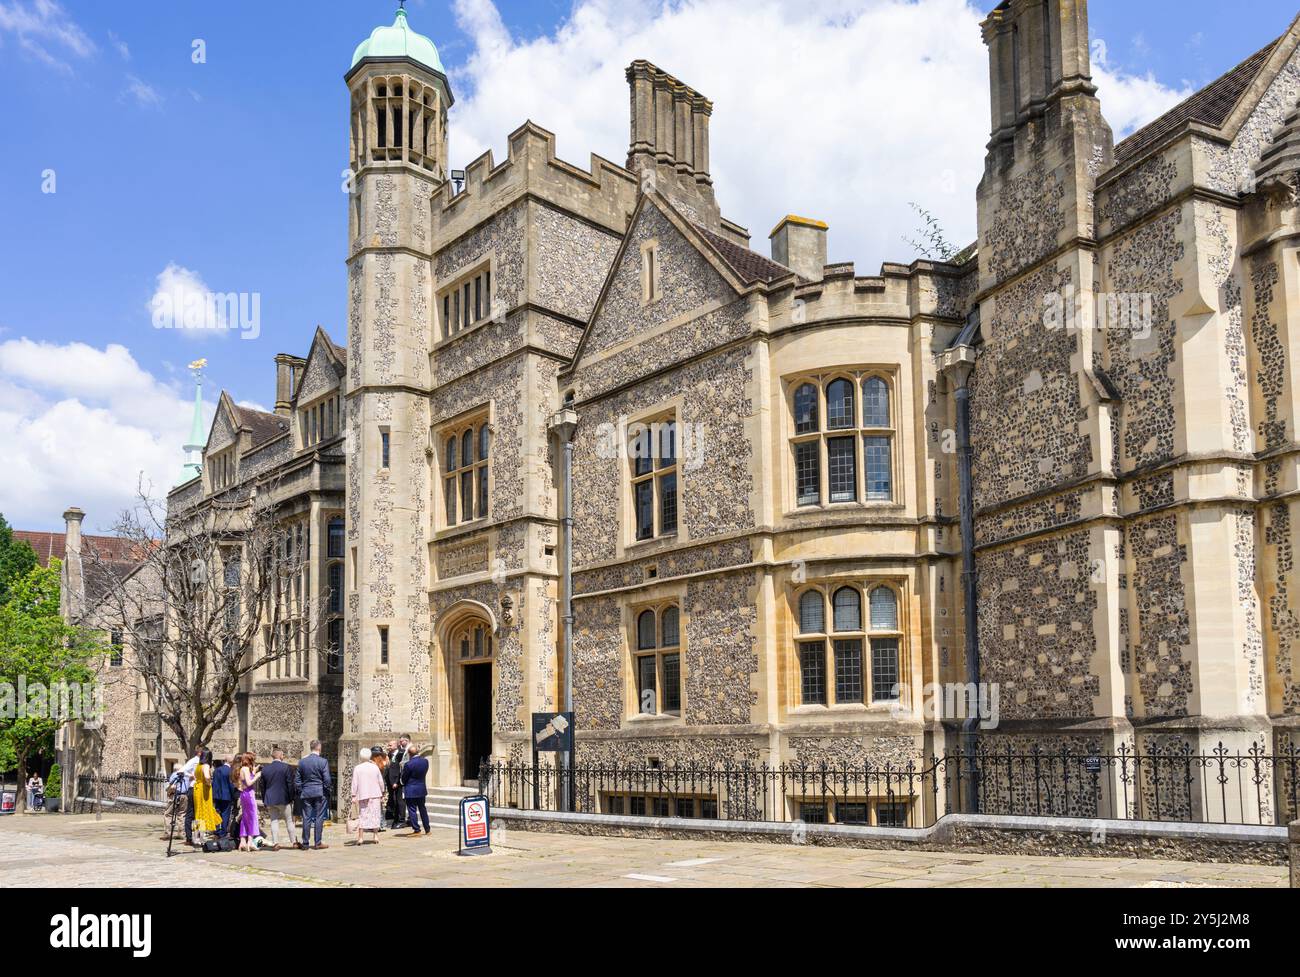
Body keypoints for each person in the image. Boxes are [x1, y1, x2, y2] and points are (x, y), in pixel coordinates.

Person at [296, 740, 331, 851]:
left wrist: (302, 789)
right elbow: (327, 779)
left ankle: (305, 843)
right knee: (319, 817)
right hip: (320, 793)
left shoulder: (302, 762)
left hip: (306, 793)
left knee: (306, 817)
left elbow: (297, 780)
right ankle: (318, 842)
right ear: (319, 748)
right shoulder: (323, 761)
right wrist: (326, 789)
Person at [348, 748, 385, 846]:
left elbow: (354, 783)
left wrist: (353, 794)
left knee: (362, 815)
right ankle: (375, 836)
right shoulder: (375, 767)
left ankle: (360, 837)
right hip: (375, 794)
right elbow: (380, 781)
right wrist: (382, 791)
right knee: (375, 814)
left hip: (363, 794)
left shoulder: (358, 768)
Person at [261, 748, 297, 850]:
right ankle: (294, 842)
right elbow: (290, 784)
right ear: (281, 756)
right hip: (284, 798)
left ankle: (276, 843)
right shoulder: (286, 767)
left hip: (270, 799)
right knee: (289, 821)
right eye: (283, 755)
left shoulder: (265, 769)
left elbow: (262, 787)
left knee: (274, 821)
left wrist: (264, 800)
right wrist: (291, 798)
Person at [191, 750, 221, 843]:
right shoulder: (206, 765)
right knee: (204, 812)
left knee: (198, 813)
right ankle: (201, 838)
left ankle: (196, 837)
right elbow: (207, 776)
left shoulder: (198, 766)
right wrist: (209, 783)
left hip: (197, 789)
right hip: (204, 789)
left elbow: (194, 776)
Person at [235, 753, 262, 852]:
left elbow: (243, 783)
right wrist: (257, 776)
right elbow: (249, 782)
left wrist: (254, 772)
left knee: (245, 817)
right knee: (252, 817)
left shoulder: (242, 769)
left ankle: (242, 841)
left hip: (244, 794)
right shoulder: (245, 769)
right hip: (249, 795)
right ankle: (250, 842)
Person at [401, 745, 430, 836]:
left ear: (409, 754)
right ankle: (427, 829)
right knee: (422, 808)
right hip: (421, 788)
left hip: (411, 789)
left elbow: (404, 778)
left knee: (412, 810)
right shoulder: (425, 761)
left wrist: (402, 782)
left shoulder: (408, 764)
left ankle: (417, 830)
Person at [181, 746, 204, 847]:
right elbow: (182, 771)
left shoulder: (203, 763)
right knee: (191, 813)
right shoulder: (194, 761)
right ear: (199, 753)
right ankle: (189, 837)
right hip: (193, 788)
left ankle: (198, 837)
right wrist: (190, 776)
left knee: (199, 813)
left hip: (200, 789)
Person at [211, 755, 235, 839]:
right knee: (225, 814)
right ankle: (223, 833)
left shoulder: (216, 770)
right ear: (231, 762)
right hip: (227, 796)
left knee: (217, 813)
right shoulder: (230, 771)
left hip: (217, 795)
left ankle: (217, 831)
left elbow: (213, 783)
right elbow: (231, 785)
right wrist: (233, 795)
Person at [385, 739, 407, 829]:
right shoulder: (389, 755)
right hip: (390, 782)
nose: (388, 747)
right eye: (388, 745)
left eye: (390, 745)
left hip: (397, 783)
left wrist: (397, 782)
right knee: (393, 800)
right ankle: (395, 818)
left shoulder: (401, 754)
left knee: (400, 801)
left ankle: (401, 820)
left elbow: (401, 770)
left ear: (396, 745)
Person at [371, 746, 389, 832]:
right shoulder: (384, 764)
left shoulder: (372, 765)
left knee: (371, 806)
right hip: (381, 786)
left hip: (373, 786)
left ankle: (374, 825)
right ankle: (381, 825)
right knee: (379, 807)